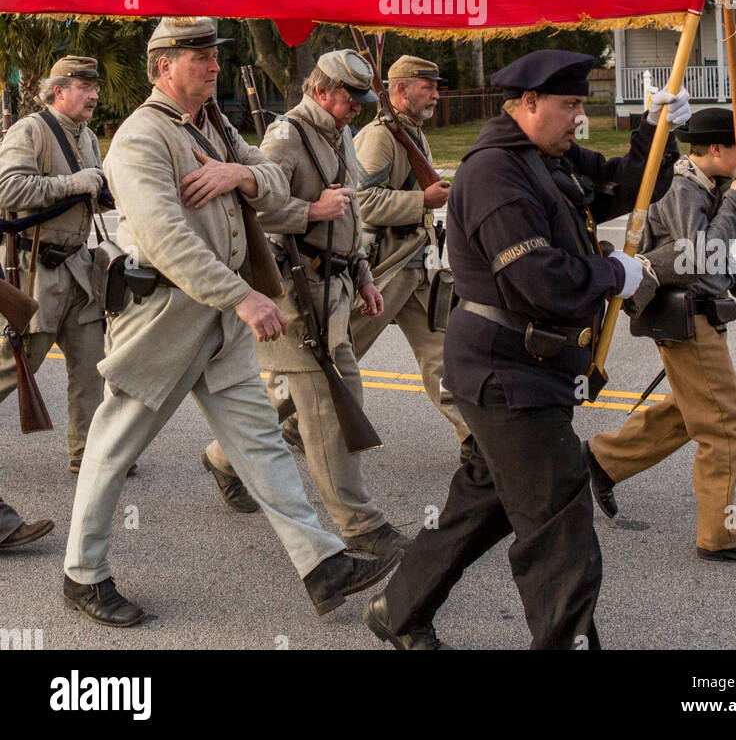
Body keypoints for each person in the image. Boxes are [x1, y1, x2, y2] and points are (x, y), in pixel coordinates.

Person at [62, 18, 397, 627]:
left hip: (216, 319)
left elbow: (269, 184)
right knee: (112, 447)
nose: (213, 66)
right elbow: (165, 238)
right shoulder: (141, 138)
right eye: (197, 56)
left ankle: (322, 565)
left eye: (213, 55)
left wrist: (237, 174)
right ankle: (82, 576)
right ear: (163, 65)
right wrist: (242, 295)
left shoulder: (214, 126)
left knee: (261, 443)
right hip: (162, 317)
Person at [363, 49, 689, 650]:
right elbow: (538, 278)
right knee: (559, 531)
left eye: (581, 106)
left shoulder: (547, 158)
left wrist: (656, 134)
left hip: (526, 369)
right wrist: (612, 274)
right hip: (507, 373)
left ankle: (396, 608)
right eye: (569, 106)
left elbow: (623, 185)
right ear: (528, 104)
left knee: (479, 508)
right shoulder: (496, 172)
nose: (578, 120)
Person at [205, 49, 409, 559]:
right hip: (297, 289)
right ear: (321, 92)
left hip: (335, 288)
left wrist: (363, 274)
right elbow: (255, 209)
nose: (356, 108)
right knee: (327, 410)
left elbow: (353, 212)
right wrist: (310, 210)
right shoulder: (285, 136)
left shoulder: (336, 133)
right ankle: (358, 524)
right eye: (349, 98)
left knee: (331, 396)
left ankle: (222, 458)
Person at [584, 106, 736, 564]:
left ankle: (600, 459)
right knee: (724, 423)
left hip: (699, 312)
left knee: (689, 409)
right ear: (715, 149)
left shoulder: (704, 183)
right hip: (686, 317)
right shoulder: (681, 187)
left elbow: (710, 255)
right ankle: (720, 533)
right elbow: (694, 258)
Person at [351, 56, 469, 448]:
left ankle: (477, 440)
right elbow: (361, 201)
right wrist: (421, 199)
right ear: (400, 90)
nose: (436, 93)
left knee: (443, 355)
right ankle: (229, 456)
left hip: (417, 265)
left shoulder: (411, 131)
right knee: (332, 360)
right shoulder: (381, 135)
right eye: (427, 86)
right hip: (385, 268)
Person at [0, 56, 108, 473]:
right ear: (59, 91)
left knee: (90, 368)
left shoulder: (88, 137)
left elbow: (85, 193)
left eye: (95, 87)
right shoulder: (29, 131)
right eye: (85, 87)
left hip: (79, 268)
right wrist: (73, 184)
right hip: (36, 271)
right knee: (14, 367)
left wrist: (100, 190)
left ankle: (87, 454)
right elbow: (7, 189)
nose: (95, 95)